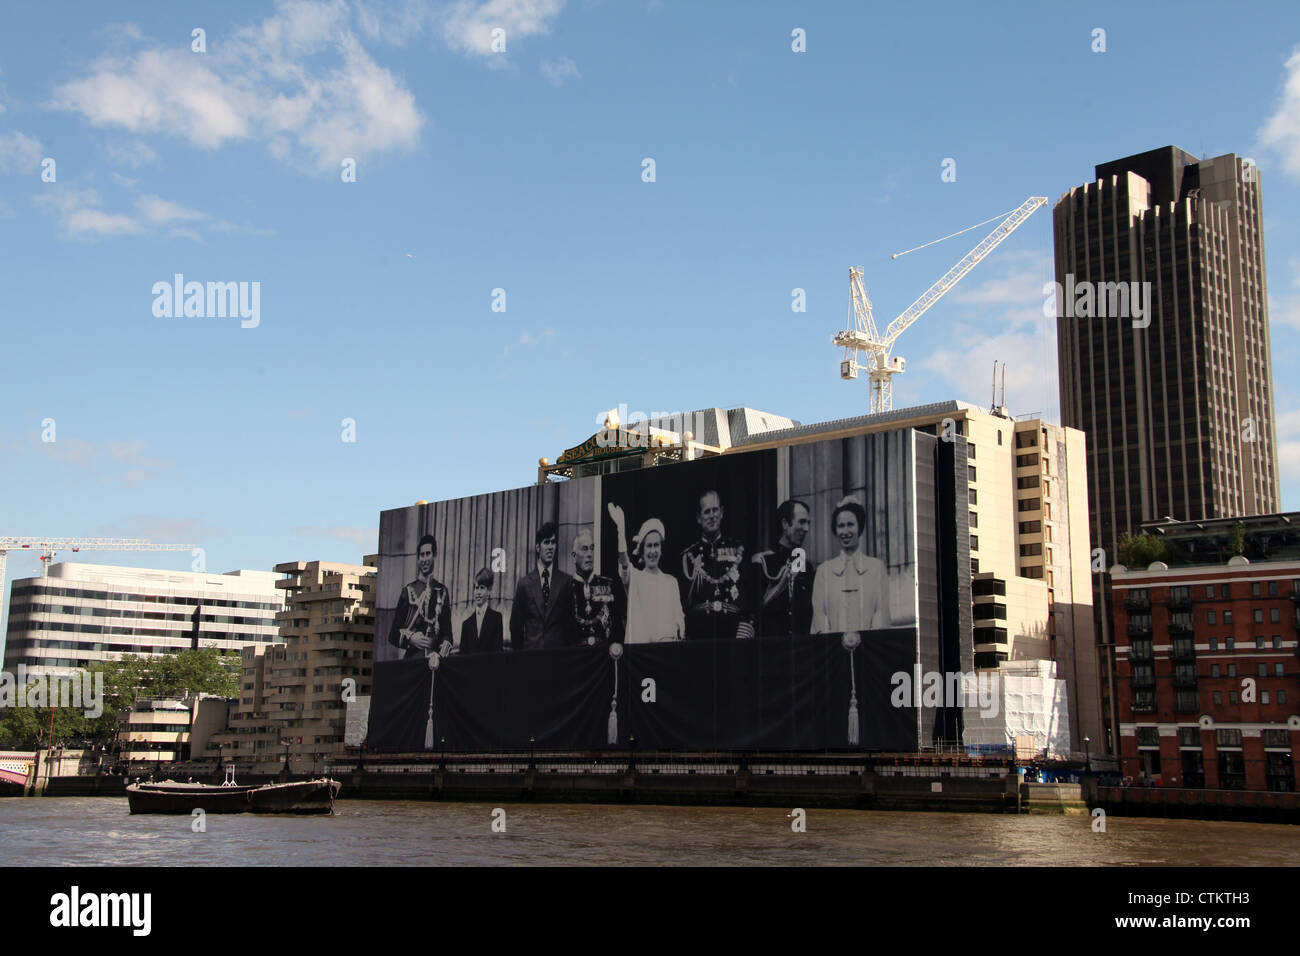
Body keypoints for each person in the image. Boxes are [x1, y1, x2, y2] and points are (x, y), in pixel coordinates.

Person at [680, 490, 754, 640]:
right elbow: (683, 601)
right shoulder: (689, 556)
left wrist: (747, 623)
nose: (712, 515)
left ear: (722, 513)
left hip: (734, 633)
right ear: (699, 518)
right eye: (707, 512)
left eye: (715, 510)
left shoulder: (738, 550)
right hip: (699, 635)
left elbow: (748, 594)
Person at [607, 502, 684, 643]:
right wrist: (621, 533)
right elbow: (624, 563)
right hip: (641, 655)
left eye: (656, 545)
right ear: (642, 550)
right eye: (649, 546)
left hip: (667, 651)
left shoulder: (671, 582)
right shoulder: (636, 578)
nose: (653, 551)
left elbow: (679, 619)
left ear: (661, 549)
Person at [810, 495, 888, 633]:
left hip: (868, 649)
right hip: (833, 651)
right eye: (841, 526)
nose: (845, 532)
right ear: (835, 530)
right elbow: (819, 616)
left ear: (860, 527)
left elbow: (881, 614)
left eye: (850, 525)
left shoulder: (876, 568)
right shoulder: (824, 572)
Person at [752, 498, 816, 636]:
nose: (806, 529)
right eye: (802, 522)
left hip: (801, 649)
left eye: (808, 523)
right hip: (771, 649)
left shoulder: (807, 567)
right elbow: (753, 613)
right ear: (785, 524)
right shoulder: (764, 562)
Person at [388, 533, 453, 659]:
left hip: (435, 662)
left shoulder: (442, 591)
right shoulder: (408, 591)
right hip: (412, 661)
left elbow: (448, 635)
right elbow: (393, 635)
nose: (424, 559)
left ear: (434, 555)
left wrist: (439, 655)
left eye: (428, 554)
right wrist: (411, 638)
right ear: (418, 559)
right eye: (421, 555)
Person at [509, 522, 573, 649]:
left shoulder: (566, 582)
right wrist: (522, 656)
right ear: (538, 547)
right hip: (532, 658)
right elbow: (515, 626)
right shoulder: (524, 584)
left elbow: (570, 625)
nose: (550, 547)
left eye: (553, 542)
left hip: (558, 657)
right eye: (546, 542)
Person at [566, 529, 624, 645]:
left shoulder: (607, 585)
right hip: (576, 658)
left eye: (592, 548)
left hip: (603, 658)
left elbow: (618, 627)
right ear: (574, 556)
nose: (589, 554)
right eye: (584, 549)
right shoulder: (566, 589)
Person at [459, 567, 504, 654]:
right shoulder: (466, 624)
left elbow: (498, 653)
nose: (478, 592)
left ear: (489, 591)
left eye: (482, 588)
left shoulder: (496, 618)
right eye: (476, 588)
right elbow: (462, 656)